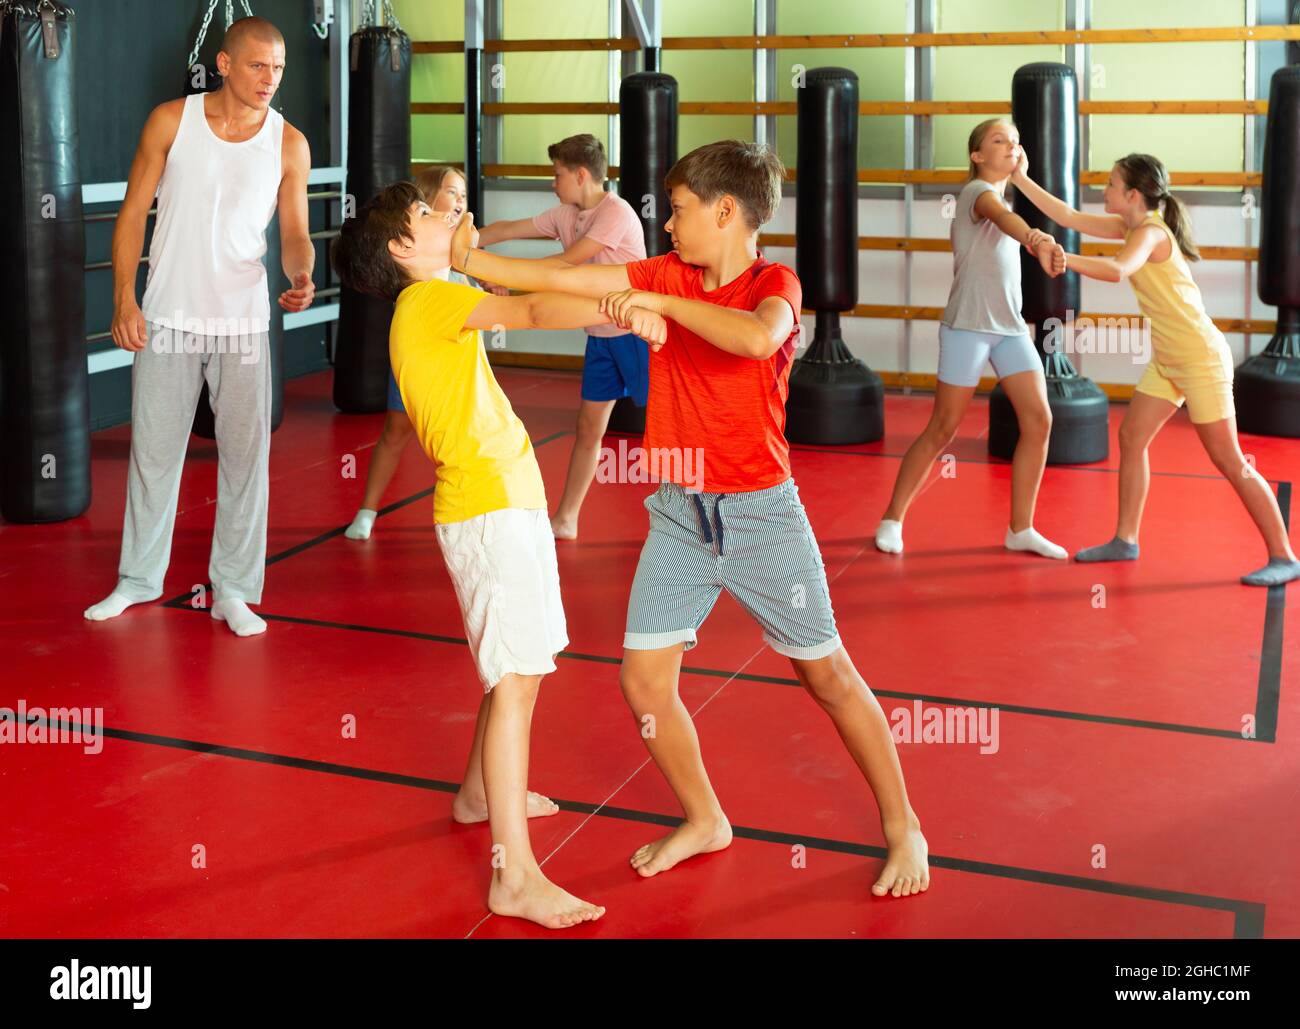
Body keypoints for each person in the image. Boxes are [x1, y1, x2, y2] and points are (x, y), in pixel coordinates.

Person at [451, 140, 930, 898]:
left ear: (726, 211)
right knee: (644, 682)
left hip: (761, 514)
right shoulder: (665, 270)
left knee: (828, 675)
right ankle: (706, 817)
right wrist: (469, 254)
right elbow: (555, 274)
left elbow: (755, 338)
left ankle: (905, 826)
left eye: (678, 211)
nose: (667, 226)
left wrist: (657, 305)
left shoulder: (774, 284)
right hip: (679, 512)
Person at [332, 179, 667, 927]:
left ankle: (478, 795)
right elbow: (536, 307)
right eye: (425, 214)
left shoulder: (431, 299)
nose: (442, 214)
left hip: (503, 500)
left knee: (514, 665)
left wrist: (465, 240)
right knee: (515, 679)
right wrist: (626, 309)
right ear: (399, 248)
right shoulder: (428, 302)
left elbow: (507, 286)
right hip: (487, 510)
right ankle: (512, 874)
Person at [84, 16, 315, 637]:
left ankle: (234, 590)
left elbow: (294, 233)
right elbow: (133, 212)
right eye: (259, 66)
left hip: (242, 322)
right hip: (167, 315)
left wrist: (301, 274)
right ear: (225, 64)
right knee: (153, 455)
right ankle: (137, 580)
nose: (271, 79)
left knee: (246, 459)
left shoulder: (288, 143)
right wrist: (123, 298)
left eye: (280, 67)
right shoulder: (171, 120)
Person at [1014, 151, 1300, 586]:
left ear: (1132, 194)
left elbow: (1117, 270)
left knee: (1230, 460)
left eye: (1111, 184)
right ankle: (1126, 539)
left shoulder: (1149, 233)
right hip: (1169, 357)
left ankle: (1284, 555)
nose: (1104, 190)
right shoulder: (1129, 225)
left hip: (1199, 358)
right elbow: (1068, 217)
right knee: (1131, 436)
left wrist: (1066, 261)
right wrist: (1021, 178)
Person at [875, 118, 1067, 560]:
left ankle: (1021, 529)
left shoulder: (1004, 192)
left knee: (1039, 421)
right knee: (943, 428)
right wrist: (1036, 239)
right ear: (977, 155)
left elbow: (1012, 212)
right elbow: (1005, 220)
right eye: (999, 140)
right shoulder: (976, 193)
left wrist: (1023, 184)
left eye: (1016, 141)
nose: (1010, 146)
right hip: (968, 327)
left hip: (1010, 329)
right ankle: (892, 517)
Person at [476, 134, 649, 540]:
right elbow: (507, 229)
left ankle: (696, 519)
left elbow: (567, 264)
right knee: (589, 430)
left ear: (581, 174)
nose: (553, 184)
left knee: (668, 431)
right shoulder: (564, 214)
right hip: (601, 337)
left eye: (557, 175)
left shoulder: (616, 212)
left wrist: (506, 280)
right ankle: (567, 518)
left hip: (638, 334)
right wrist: (464, 241)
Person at [344, 165, 474, 542]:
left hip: (455, 369)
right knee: (396, 430)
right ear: (428, 199)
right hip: (423, 362)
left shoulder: (457, 247)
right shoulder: (417, 267)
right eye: (452, 192)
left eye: (463, 194)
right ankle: (367, 507)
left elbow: (474, 296)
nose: (459, 202)